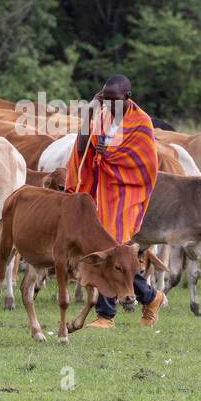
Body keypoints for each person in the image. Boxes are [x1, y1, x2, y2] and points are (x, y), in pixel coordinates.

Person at [66, 75, 163, 328]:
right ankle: (150, 297)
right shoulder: (102, 116)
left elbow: (147, 164)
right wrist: (89, 111)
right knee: (109, 253)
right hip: (101, 195)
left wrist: (111, 156)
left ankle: (106, 316)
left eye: (115, 101)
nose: (109, 105)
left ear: (127, 97)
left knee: (110, 253)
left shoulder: (141, 122)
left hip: (125, 195)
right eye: (105, 101)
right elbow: (81, 147)